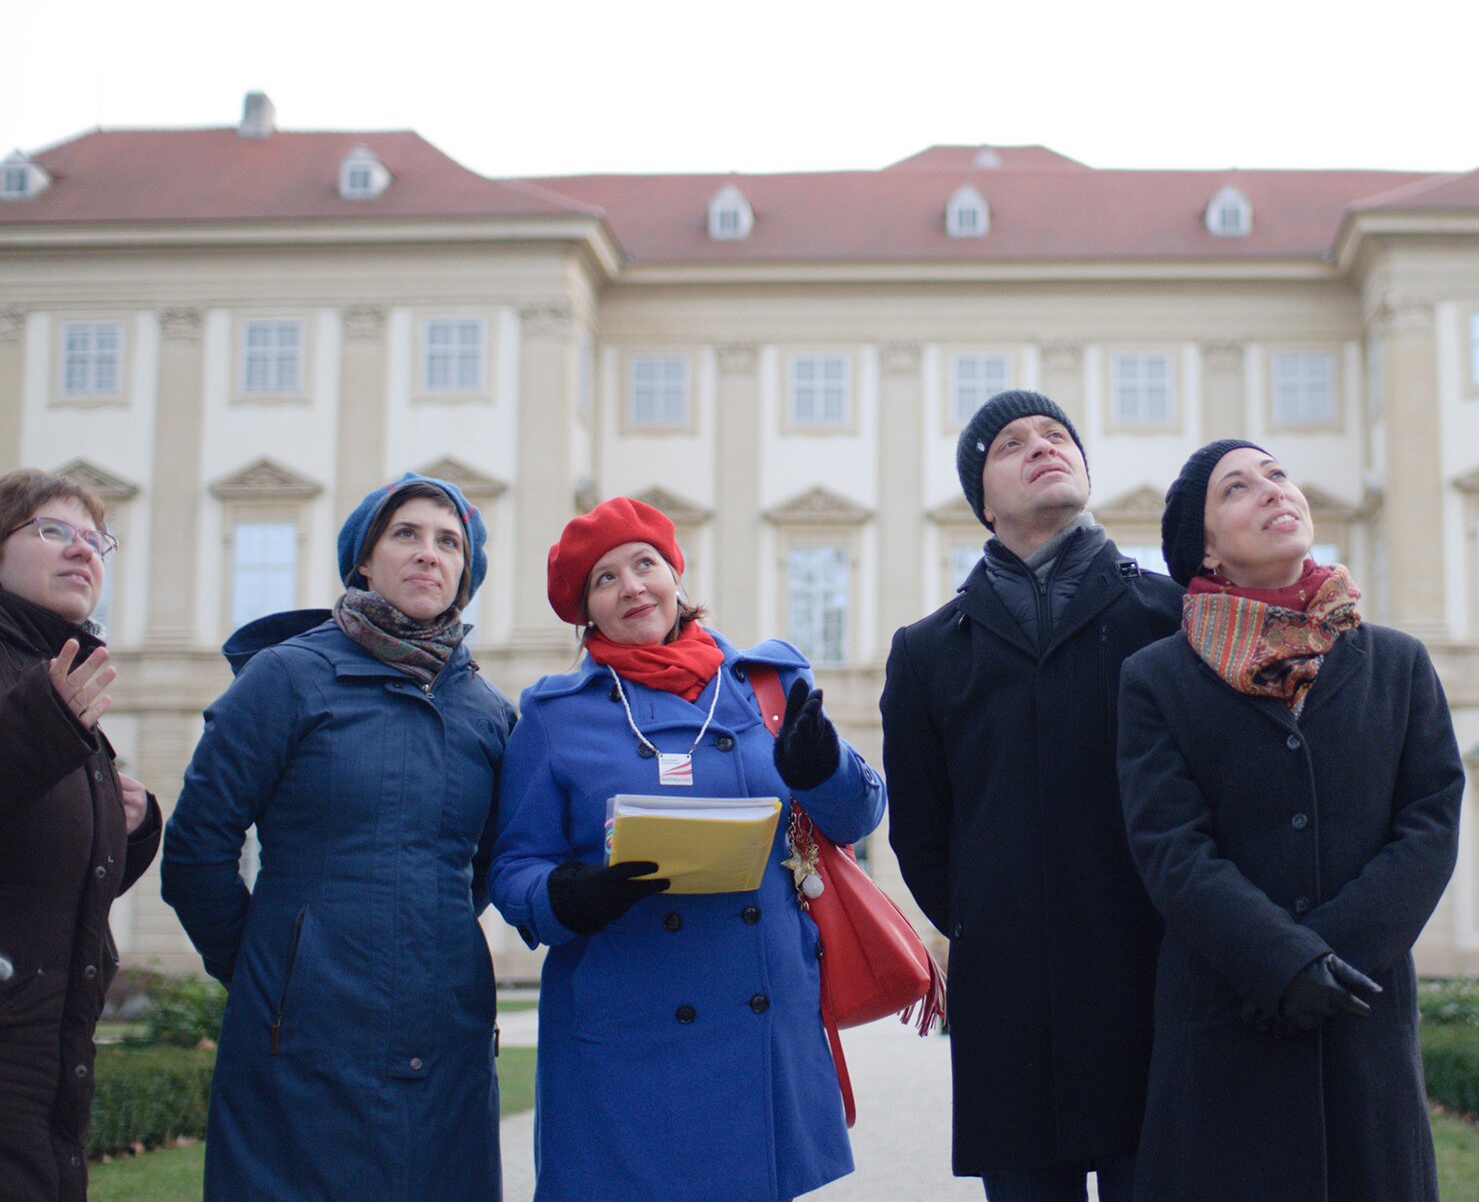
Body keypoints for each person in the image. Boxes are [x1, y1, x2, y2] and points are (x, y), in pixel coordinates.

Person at [489, 497, 885, 1202]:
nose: (632, 586)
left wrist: (824, 767)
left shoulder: (768, 683)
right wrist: (568, 895)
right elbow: (513, 869)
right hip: (627, 1031)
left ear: (677, 572)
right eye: (605, 579)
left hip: (756, 1023)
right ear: (587, 612)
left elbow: (859, 813)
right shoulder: (553, 717)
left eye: (645, 563)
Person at [1116, 440, 1464, 1202]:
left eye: (1278, 474)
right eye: (1237, 487)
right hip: (1226, 1023)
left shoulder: (1399, 664)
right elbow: (1171, 848)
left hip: (1360, 1018)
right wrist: (1279, 964)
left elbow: (1431, 824)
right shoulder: (1156, 679)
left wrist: (1330, 959)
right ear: (1204, 544)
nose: (1273, 490)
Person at [160, 472, 512, 1202]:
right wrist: (277, 970)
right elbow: (196, 849)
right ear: (363, 558)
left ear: (466, 573)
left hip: (448, 1042)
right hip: (301, 1043)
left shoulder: (486, 712)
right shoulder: (287, 678)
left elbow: (480, 872)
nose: (429, 554)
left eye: (450, 542)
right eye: (405, 534)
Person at [882, 391, 1182, 1201]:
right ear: (983, 499)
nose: (1043, 447)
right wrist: (997, 918)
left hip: (1153, 985)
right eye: (1011, 443)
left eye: (1057, 436)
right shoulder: (926, 652)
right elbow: (921, 835)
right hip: (1007, 1001)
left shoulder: (1171, 617)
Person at [0, 469, 160, 1202]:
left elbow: (49, 874)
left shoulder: (62, 681)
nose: (82, 551)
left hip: (47, 1059)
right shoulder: (45, 692)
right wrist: (41, 726)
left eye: (97, 540)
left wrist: (130, 829)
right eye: (53, 531)